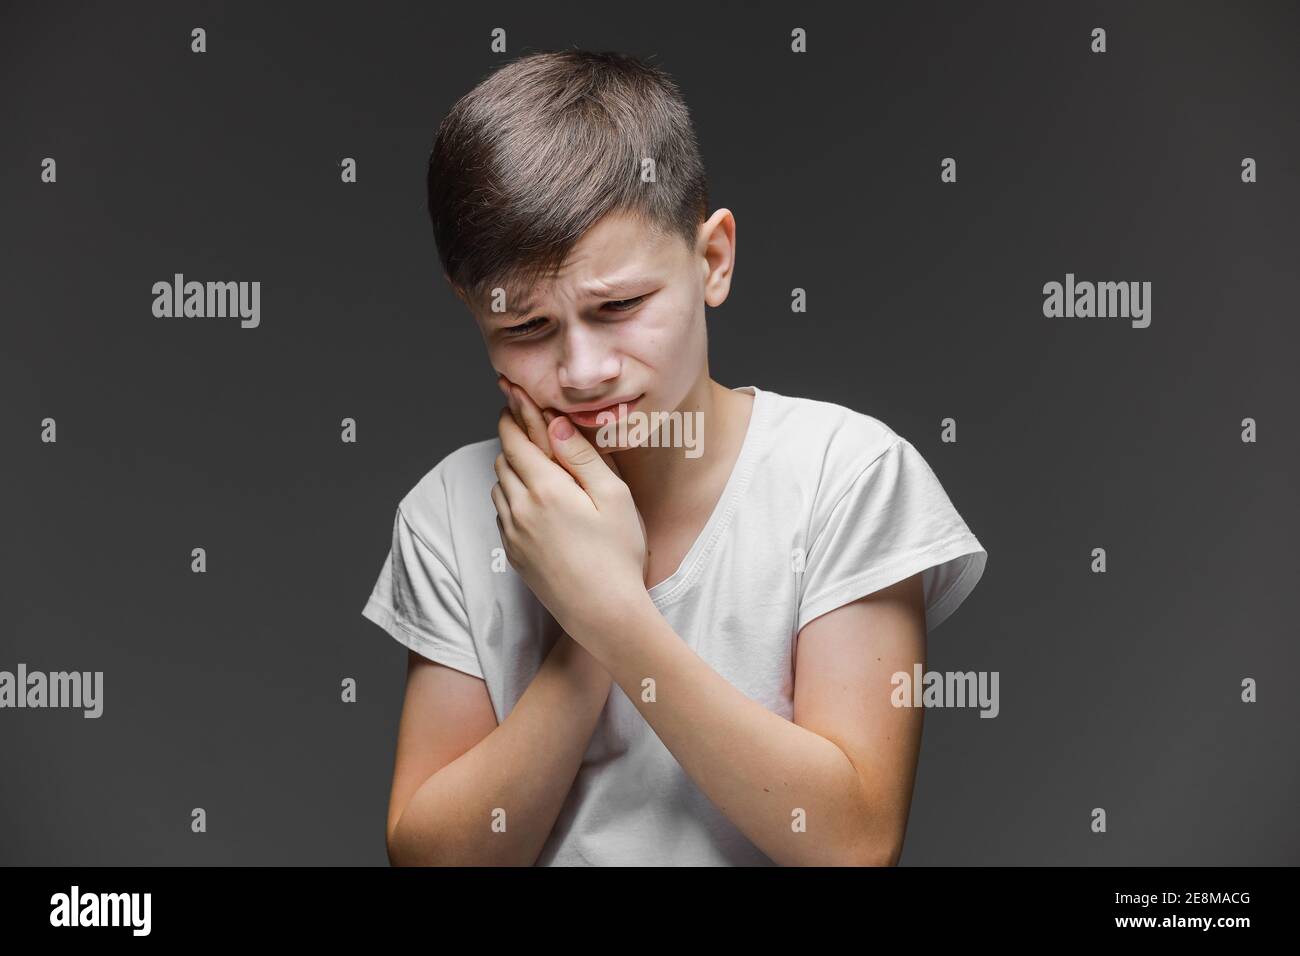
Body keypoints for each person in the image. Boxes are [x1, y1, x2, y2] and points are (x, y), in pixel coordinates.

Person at [361, 49, 988, 866]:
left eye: (619, 307)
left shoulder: (845, 476)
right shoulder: (449, 510)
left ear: (712, 260)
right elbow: (431, 861)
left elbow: (852, 842)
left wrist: (608, 610)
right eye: (525, 329)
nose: (584, 372)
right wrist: (582, 645)